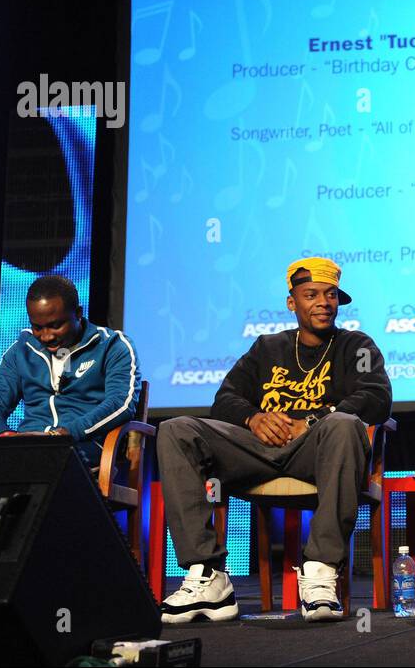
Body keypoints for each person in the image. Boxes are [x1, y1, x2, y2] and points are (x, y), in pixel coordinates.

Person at [156, 257, 391, 624]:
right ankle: (207, 574)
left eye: (331, 295)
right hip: (257, 451)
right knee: (176, 429)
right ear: (291, 302)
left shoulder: (356, 346)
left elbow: (375, 397)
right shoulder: (267, 348)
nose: (324, 303)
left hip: (314, 452)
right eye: (311, 294)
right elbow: (225, 399)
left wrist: (311, 421)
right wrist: (253, 418)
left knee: (344, 424)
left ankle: (320, 570)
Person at [0, 275, 141, 466]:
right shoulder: (22, 349)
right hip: (28, 446)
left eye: (55, 326)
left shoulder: (112, 346)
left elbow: (120, 404)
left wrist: (62, 435)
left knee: (48, 459)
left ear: (78, 314)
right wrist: (3, 434)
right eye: (37, 327)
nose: (46, 336)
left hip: (85, 443)